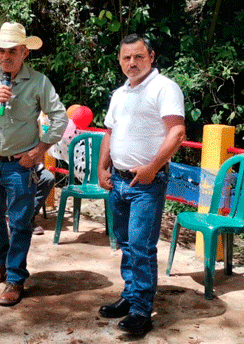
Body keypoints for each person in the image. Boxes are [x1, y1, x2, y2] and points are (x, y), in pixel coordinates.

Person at [0, 22, 67, 306]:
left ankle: (16, 278)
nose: (5, 56)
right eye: (0, 50)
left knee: (21, 222)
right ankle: (1, 263)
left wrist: (41, 150)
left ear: (24, 53)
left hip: (20, 165)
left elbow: (60, 117)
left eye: (12, 51)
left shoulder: (39, 82)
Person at [97, 34, 186, 335]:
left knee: (141, 246)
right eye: (126, 58)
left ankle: (141, 311)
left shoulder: (164, 88)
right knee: (125, 244)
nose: (132, 63)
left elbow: (177, 132)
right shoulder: (120, 93)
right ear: (120, 61)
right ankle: (130, 295)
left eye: (138, 56)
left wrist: (151, 169)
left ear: (151, 56)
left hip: (146, 183)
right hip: (118, 181)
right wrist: (101, 167)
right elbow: (109, 132)